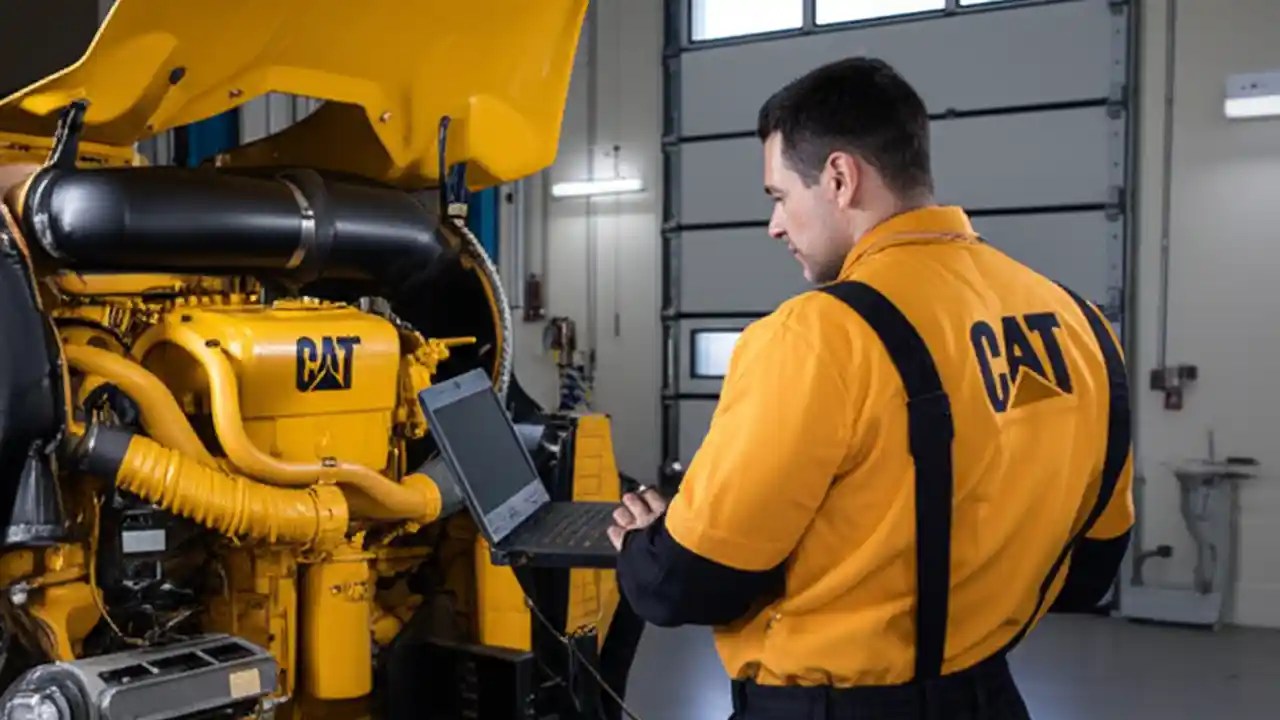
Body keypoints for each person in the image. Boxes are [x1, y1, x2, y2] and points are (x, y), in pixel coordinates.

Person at [609, 57, 1133, 720]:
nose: (775, 225)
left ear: (839, 177)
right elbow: (1091, 571)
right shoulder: (1080, 322)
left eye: (779, 196)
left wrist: (644, 547)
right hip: (991, 698)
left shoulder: (820, 333)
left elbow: (687, 584)